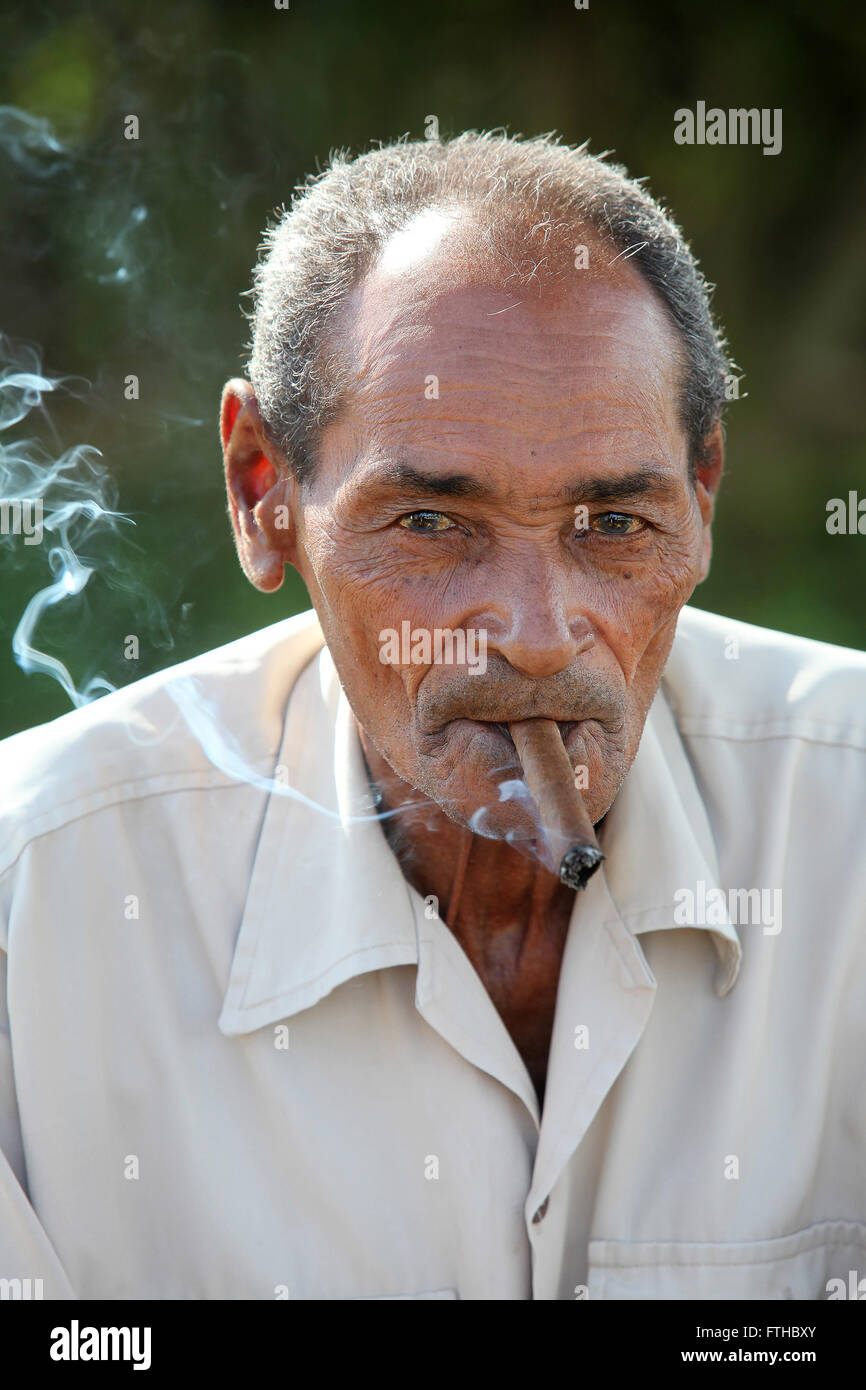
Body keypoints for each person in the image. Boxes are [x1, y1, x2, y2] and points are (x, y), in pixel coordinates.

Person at [1, 132, 864, 1301]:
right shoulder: (35, 906)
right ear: (264, 492)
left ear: (700, 495)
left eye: (612, 523)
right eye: (429, 523)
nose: (537, 631)